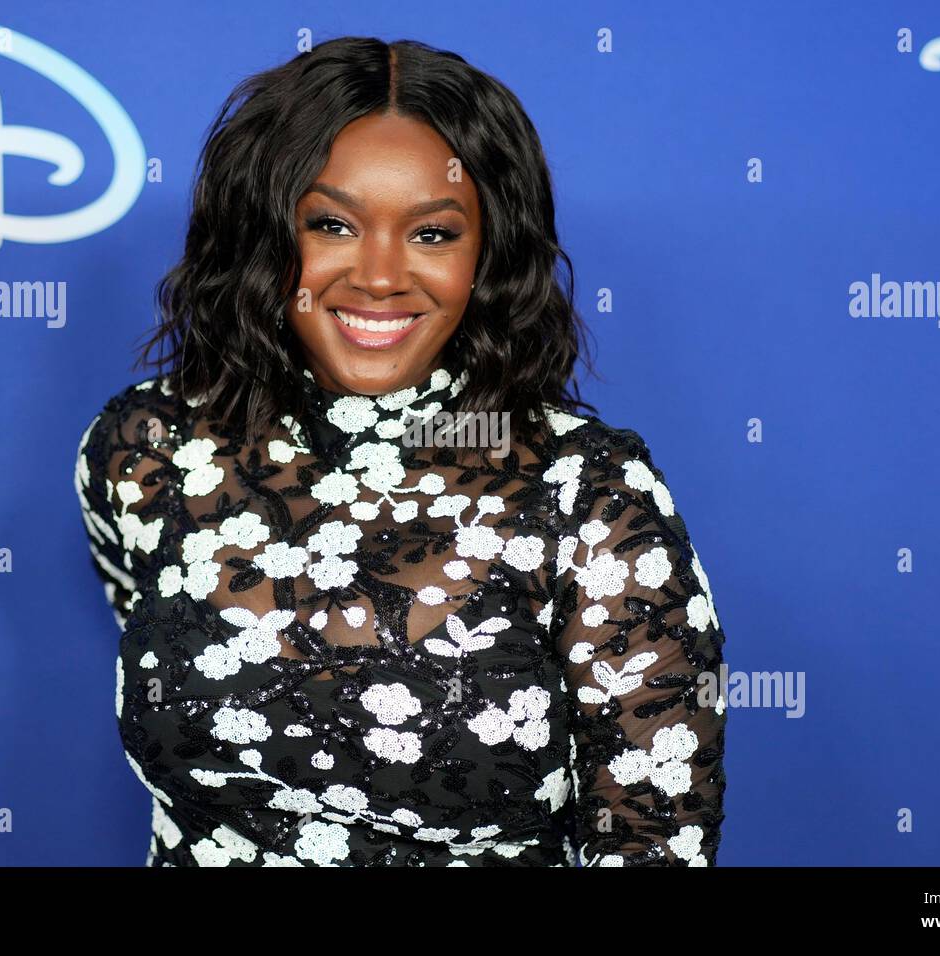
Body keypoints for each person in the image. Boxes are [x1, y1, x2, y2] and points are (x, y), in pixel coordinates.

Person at [75, 36, 727, 867]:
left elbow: (654, 846)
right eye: (332, 223)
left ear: (487, 257)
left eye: (433, 234)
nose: (380, 276)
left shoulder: (589, 496)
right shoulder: (148, 449)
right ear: (262, 236)